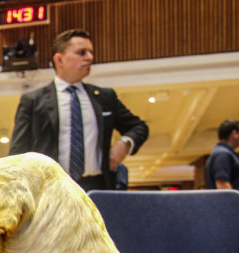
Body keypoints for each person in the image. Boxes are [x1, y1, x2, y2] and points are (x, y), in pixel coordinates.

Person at [8, 28, 148, 191]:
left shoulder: (105, 98)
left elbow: (139, 127)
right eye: (82, 53)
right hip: (51, 190)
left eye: (90, 52)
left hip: (97, 188)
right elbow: (17, 154)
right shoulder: (33, 101)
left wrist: (125, 143)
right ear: (59, 60)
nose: (90, 57)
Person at [204, 119, 239, 193]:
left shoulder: (222, 152)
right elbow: (222, 183)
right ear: (234, 133)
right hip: (230, 203)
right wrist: (232, 203)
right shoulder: (223, 154)